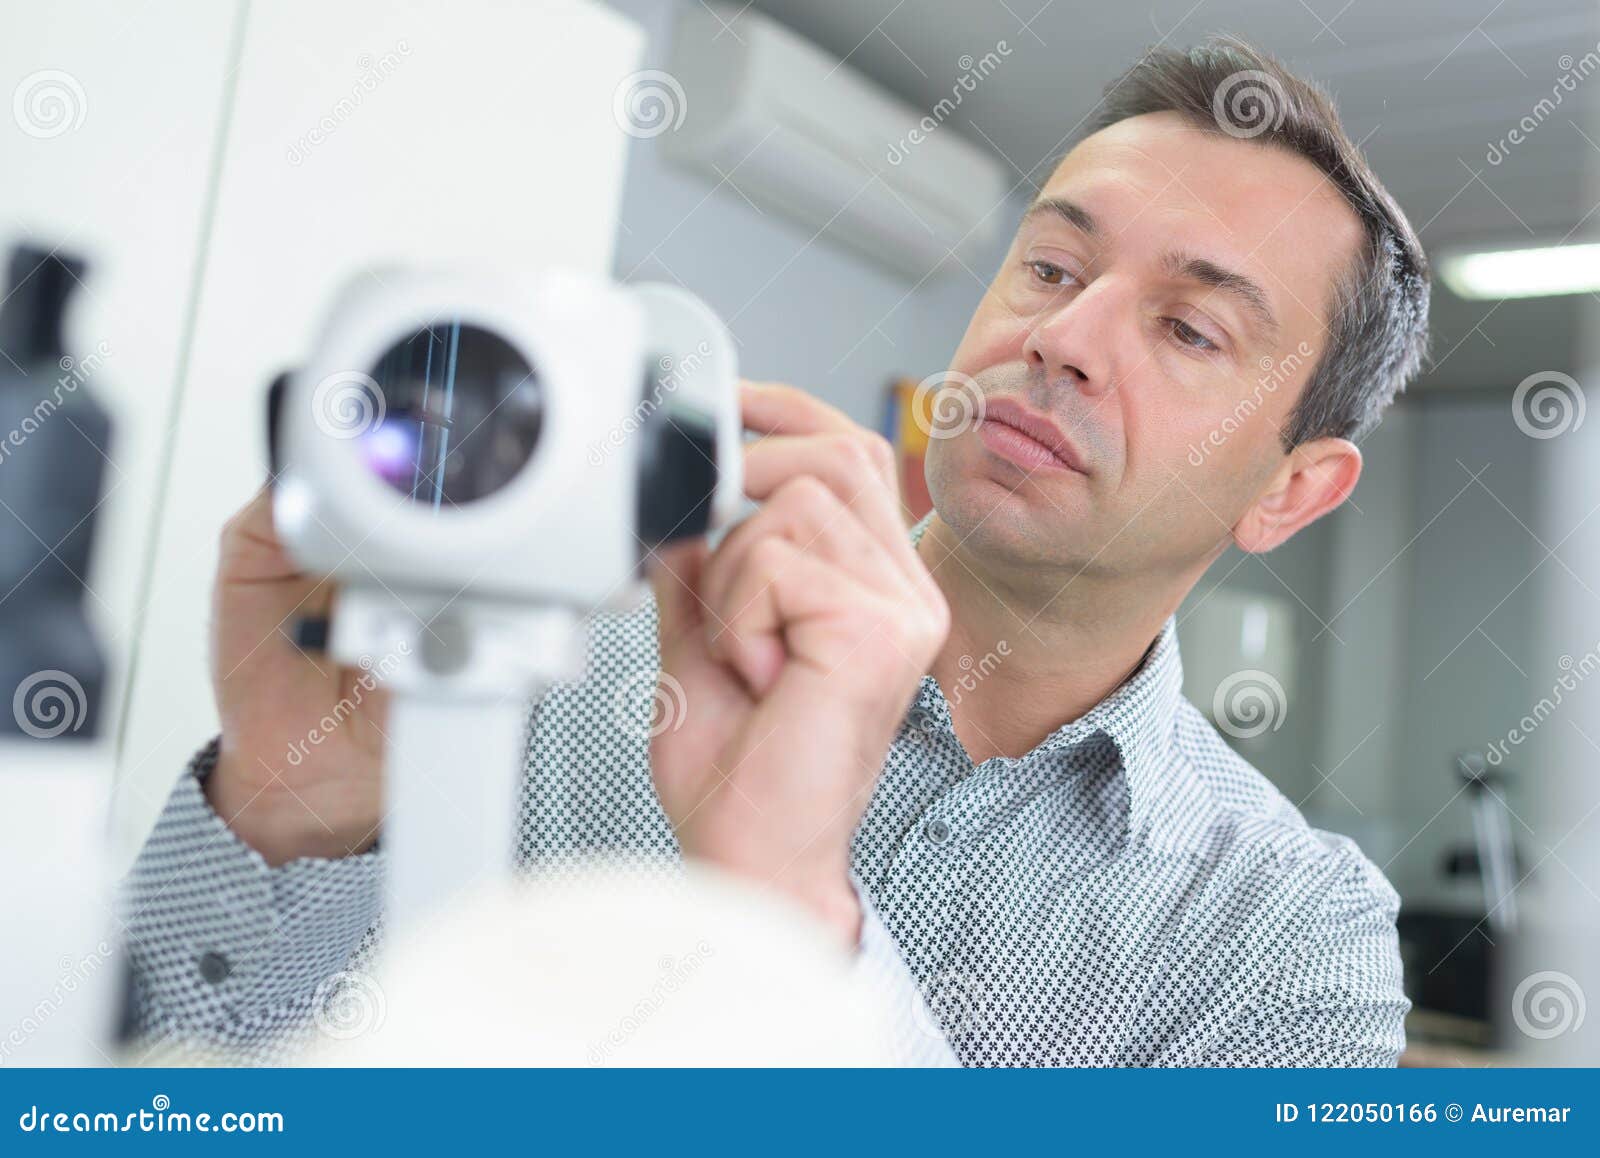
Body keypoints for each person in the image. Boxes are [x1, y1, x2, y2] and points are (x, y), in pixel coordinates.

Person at [121, 36, 1429, 1066]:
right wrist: (293, 820)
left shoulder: (1293, 945)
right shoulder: (551, 647)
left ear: (1295, 491)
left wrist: (802, 911)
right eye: (1048, 265)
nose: (1067, 335)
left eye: (1190, 328)